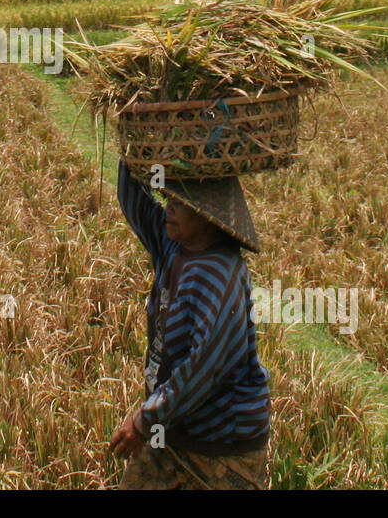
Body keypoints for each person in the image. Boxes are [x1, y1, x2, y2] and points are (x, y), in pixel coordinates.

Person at [109, 158, 270, 489]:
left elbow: (204, 369)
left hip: (222, 450)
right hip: (168, 428)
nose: (169, 208)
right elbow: (135, 199)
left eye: (181, 203)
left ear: (209, 218)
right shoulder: (173, 245)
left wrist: (143, 421)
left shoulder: (220, 276)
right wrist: (133, 145)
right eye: (169, 198)